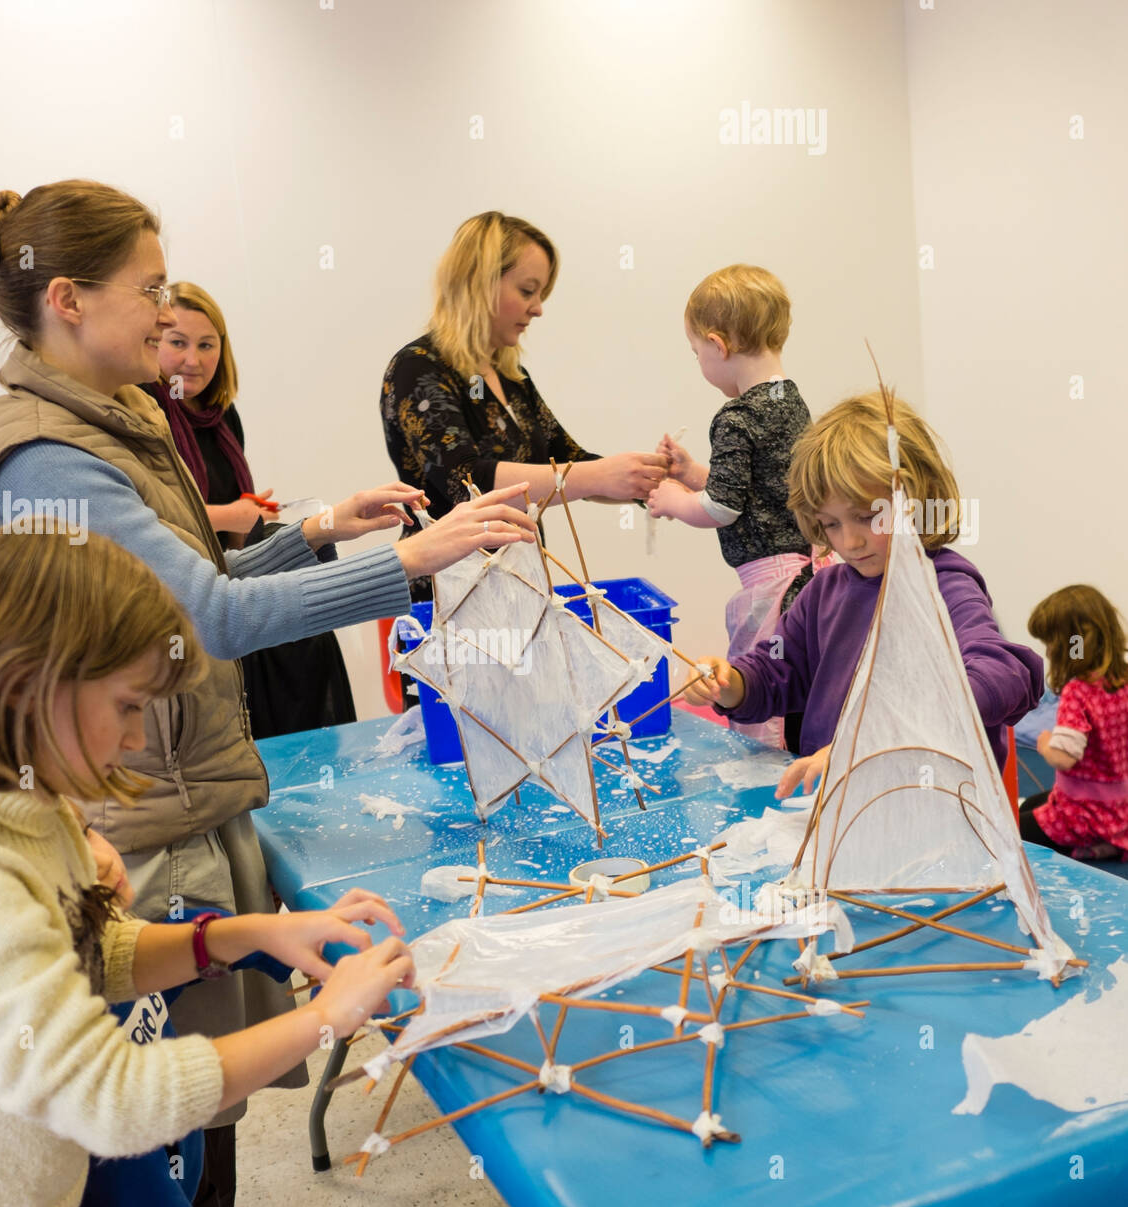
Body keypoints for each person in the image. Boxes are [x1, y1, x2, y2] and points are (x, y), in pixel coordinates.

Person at [0, 179, 535, 1207]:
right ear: (69, 300)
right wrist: (410, 563)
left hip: (180, 777)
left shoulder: (117, 420)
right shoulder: (48, 457)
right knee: (154, 1092)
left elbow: (207, 577)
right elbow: (207, 617)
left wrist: (316, 532)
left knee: (201, 1067)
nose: (169, 315)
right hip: (136, 797)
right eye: (151, 291)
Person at [0, 530, 414, 1207]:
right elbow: (112, 1101)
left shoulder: (23, 801)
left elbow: (88, 955)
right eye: (128, 706)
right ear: (26, 686)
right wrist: (324, 1019)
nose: (138, 739)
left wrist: (246, 936)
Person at [680, 393, 1044, 799]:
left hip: (933, 810)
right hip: (843, 809)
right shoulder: (824, 593)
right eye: (831, 524)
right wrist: (733, 683)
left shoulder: (945, 585)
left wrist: (877, 738)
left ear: (917, 499)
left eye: (868, 517)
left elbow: (1007, 675)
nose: (849, 541)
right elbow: (778, 669)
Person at [381, 210, 667, 594]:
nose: (538, 308)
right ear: (479, 283)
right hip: (446, 599)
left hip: (519, 590)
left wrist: (649, 481)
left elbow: (568, 457)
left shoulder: (512, 380)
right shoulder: (418, 368)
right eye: (527, 291)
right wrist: (597, 476)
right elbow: (465, 481)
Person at [149, 280, 356, 738]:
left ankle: (316, 758)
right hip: (188, 591)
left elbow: (227, 507)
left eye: (207, 345)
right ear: (154, 340)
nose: (193, 360)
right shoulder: (148, 413)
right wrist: (230, 516)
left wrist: (250, 514)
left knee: (313, 625)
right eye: (178, 343)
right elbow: (157, 515)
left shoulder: (223, 415)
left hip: (234, 570)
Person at [647, 265, 814, 748]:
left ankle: (771, 771)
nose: (699, 361)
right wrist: (692, 471)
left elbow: (722, 506)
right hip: (807, 572)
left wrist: (674, 502)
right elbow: (754, 489)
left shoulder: (736, 416)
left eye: (696, 351)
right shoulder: (790, 402)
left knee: (762, 694)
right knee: (795, 679)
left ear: (718, 346)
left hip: (771, 585)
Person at [1020, 585, 1128, 860]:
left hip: (1082, 815)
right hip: (1119, 809)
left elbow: (1064, 758)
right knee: (1033, 802)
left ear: (1068, 646)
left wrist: (1045, 744)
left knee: (1012, 827)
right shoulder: (1123, 682)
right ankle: (1109, 840)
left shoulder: (1078, 691)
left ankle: (1088, 842)